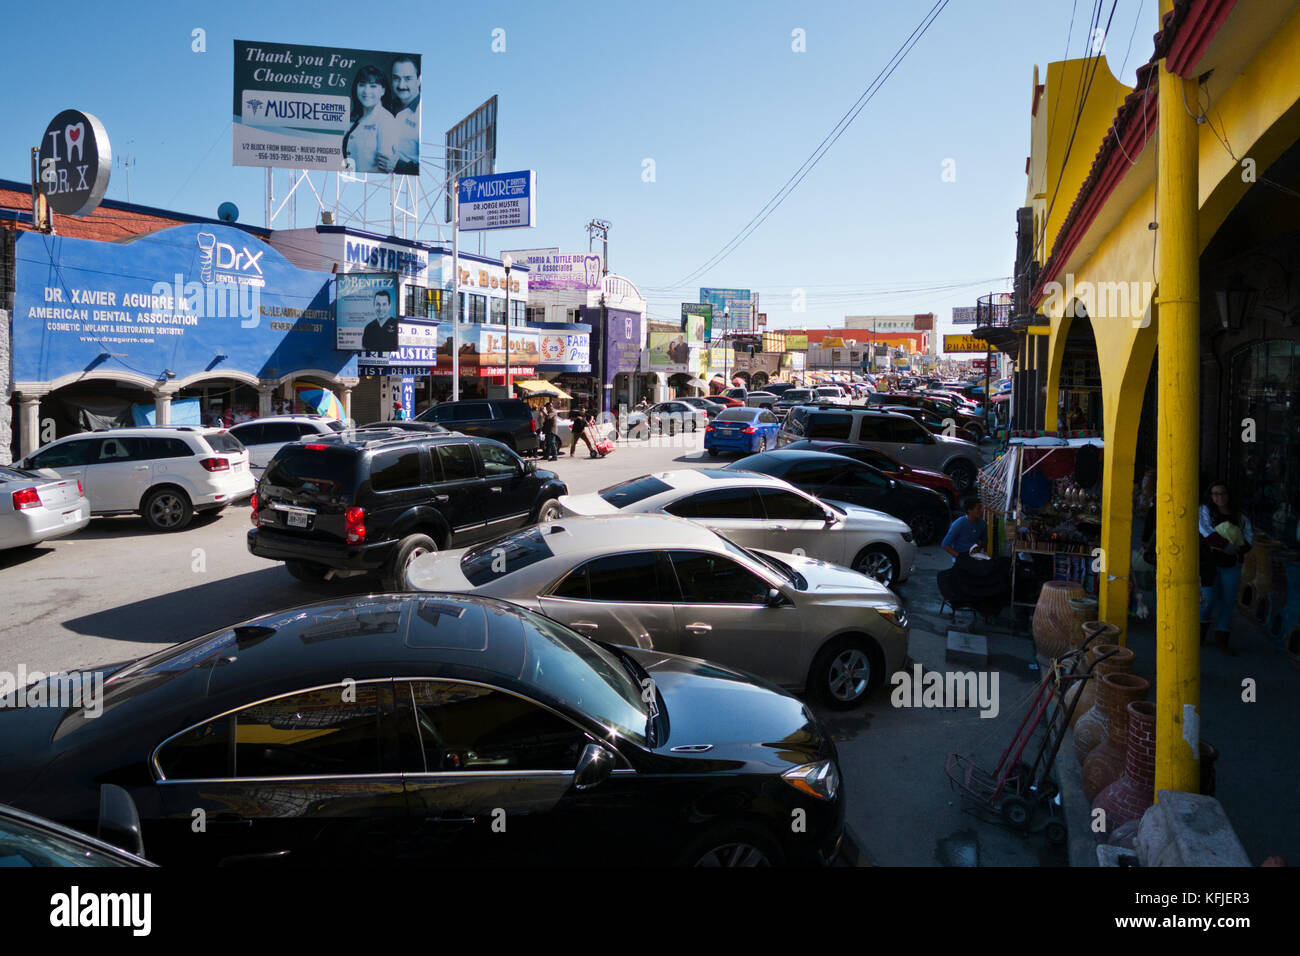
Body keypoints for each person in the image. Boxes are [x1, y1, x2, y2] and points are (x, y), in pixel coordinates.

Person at [1200, 481, 1253, 654]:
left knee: (1228, 603)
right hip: (1209, 564)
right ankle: (1199, 634)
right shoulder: (1205, 511)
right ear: (1210, 496)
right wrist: (1226, 546)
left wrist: (1238, 550)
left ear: (1229, 495)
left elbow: (1248, 538)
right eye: (1215, 494)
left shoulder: (1240, 516)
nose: (1219, 497)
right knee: (1207, 600)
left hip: (1232, 565)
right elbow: (1205, 531)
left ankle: (1222, 640)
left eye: (1222, 493)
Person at [342, 65, 397, 174]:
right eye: (362, 85)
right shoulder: (352, 121)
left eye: (373, 86)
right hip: (352, 183)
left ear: (382, 91)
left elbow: (384, 167)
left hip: (372, 185)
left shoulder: (386, 120)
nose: (366, 91)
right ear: (356, 88)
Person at [377, 55, 420, 175]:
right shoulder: (384, 107)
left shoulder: (424, 114)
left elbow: (428, 163)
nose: (401, 85)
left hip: (408, 183)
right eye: (396, 78)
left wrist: (399, 166)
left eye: (407, 79)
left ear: (419, 79)